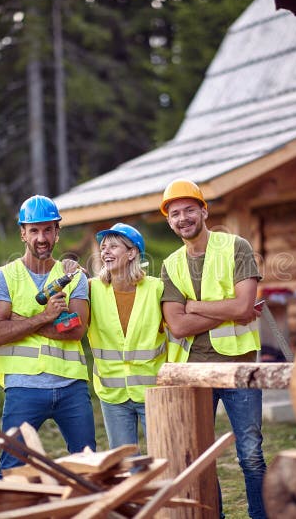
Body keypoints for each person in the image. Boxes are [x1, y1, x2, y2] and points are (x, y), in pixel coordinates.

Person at [158, 179, 266, 519]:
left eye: (190, 209)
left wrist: (194, 306)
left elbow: (243, 307)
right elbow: (176, 325)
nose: (183, 218)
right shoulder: (170, 264)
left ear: (204, 211)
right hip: (194, 369)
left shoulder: (236, 247)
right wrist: (225, 307)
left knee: (250, 453)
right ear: (169, 221)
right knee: (201, 456)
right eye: (175, 213)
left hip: (239, 365)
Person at [0, 195, 94, 476]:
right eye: (34, 230)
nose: (41, 237)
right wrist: (46, 317)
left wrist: (21, 322)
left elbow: (78, 330)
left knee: (88, 465)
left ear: (58, 232)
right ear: (23, 233)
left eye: (48, 229)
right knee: (12, 468)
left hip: (72, 386)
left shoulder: (74, 276)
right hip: (23, 388)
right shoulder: (4, 277)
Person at [87, 223, 166, 450]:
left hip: (152, 392)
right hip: (113, 396)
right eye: (103, 247)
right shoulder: (91, 289)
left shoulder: (157, 289)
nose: (105, 252)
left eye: (113, 246)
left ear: (132, 253)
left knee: (161, 458)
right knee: (124, 467)